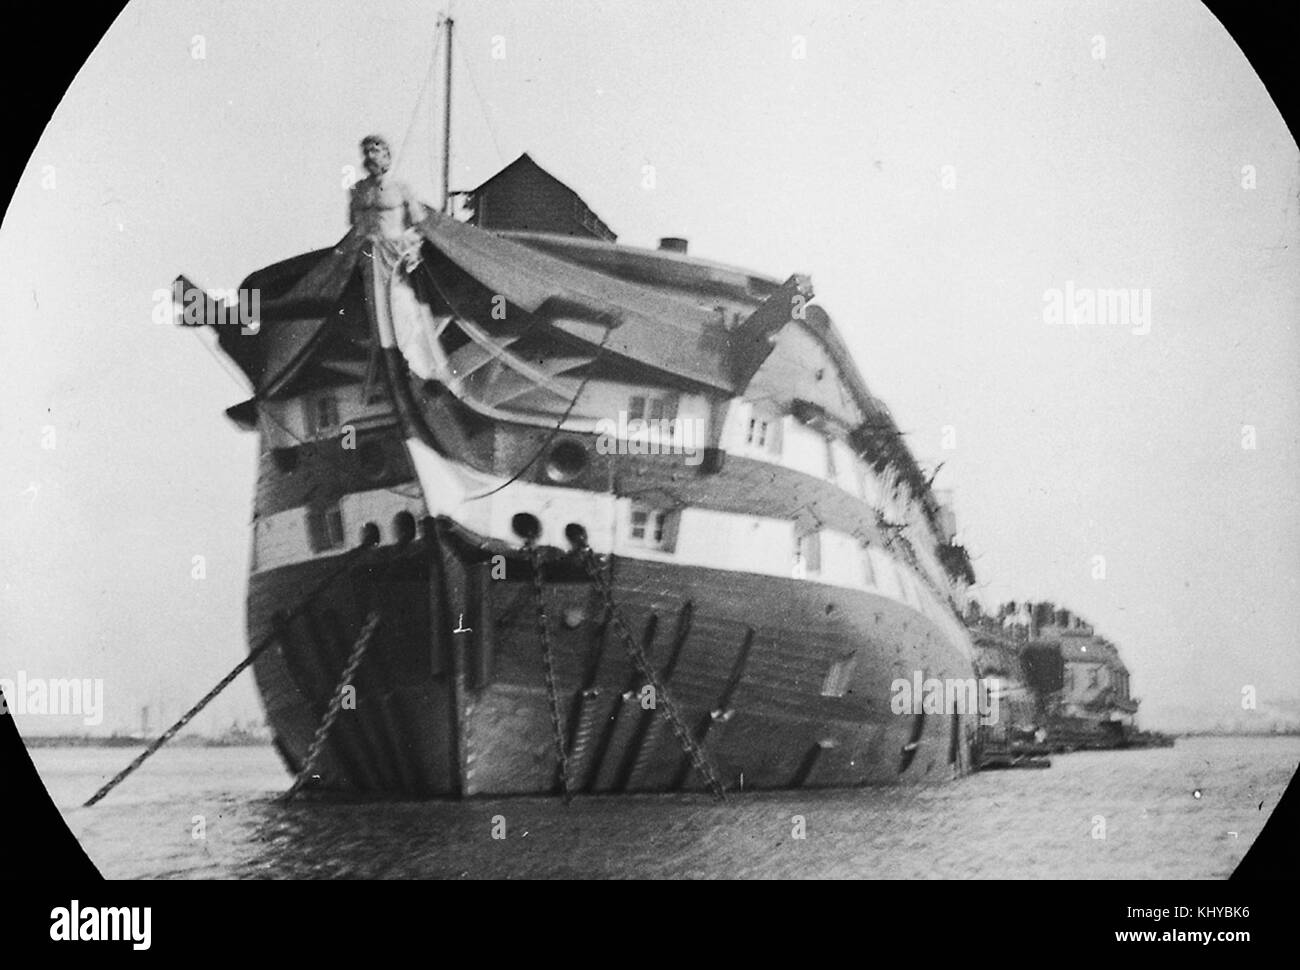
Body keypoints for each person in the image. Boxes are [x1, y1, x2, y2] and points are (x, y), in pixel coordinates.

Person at [348, 135, 428, 252]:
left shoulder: (401, 188)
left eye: (375, 151)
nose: (370, 156)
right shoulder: (358, 189)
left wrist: (408, 247)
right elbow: (353, 223)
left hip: (394, 249)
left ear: (386, 155)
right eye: (366, 152)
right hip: (364, 251)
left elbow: (419, 224)